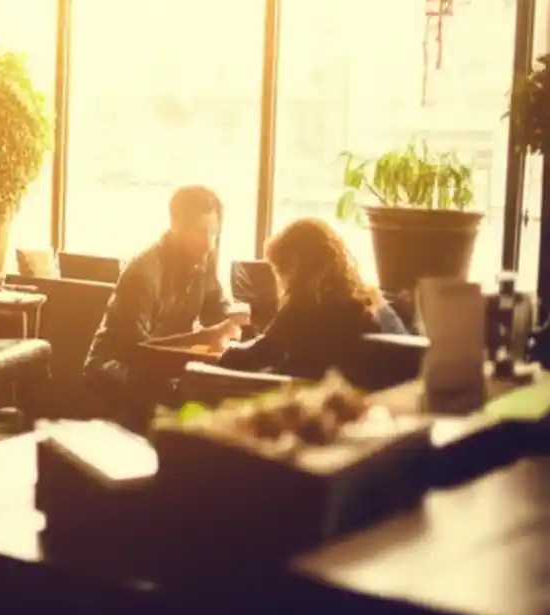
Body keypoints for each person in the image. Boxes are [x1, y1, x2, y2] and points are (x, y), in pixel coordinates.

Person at [83, 185, 246, 431]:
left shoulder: (204, 259)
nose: (209, 243)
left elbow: (217, 311)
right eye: (200, 231)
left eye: (214, 232)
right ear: (176, 226)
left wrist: (239, 319)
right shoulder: (144, 271)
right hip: (115, 364)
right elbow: (139, 350)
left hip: (164, 364)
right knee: (179, 400)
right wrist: (205, 336)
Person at [218, 217, 406, 379]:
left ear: (295, 267)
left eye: (280, 270)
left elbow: (255, 356)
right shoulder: (370, 301)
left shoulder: (304, 308)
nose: (280, 281)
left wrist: (227, 349)